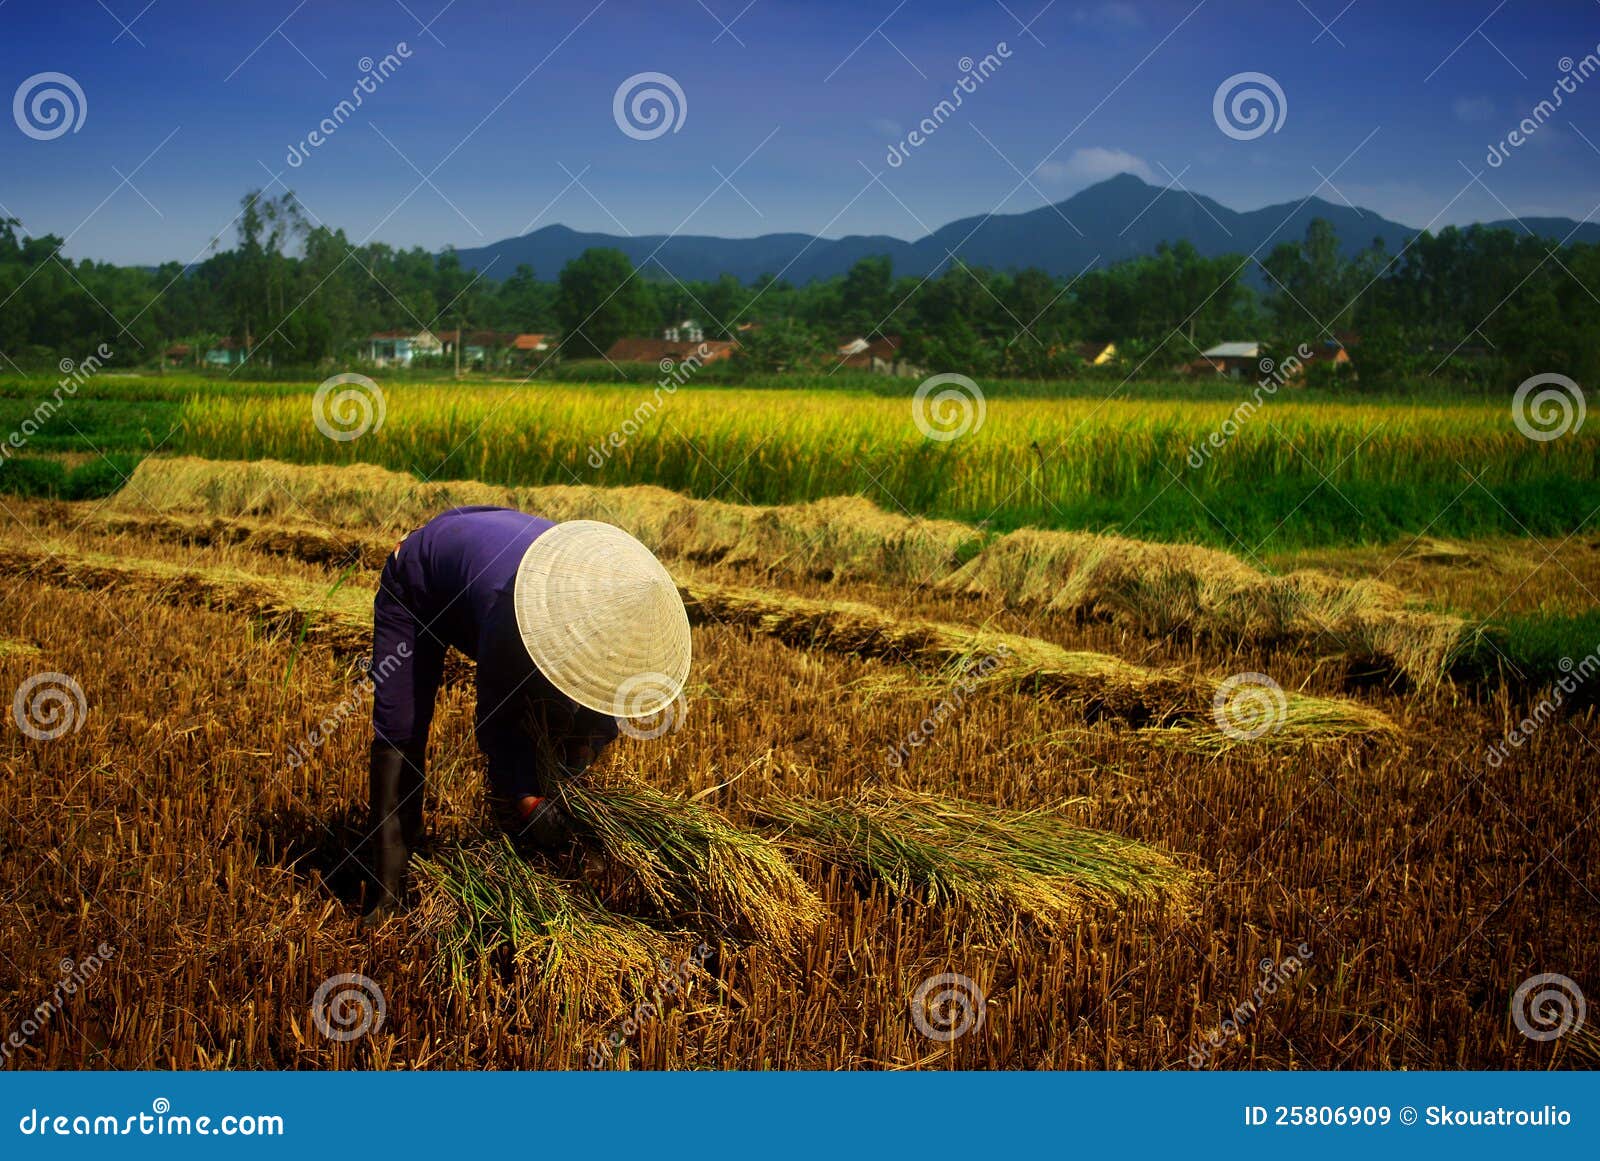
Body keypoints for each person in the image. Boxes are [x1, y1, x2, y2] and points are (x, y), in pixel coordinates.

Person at [362, 507, 691, 924]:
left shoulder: (608, 614)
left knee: (555, 714)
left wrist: (570, 781)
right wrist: (530, 799)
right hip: (420, 584)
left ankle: (524, 857)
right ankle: (389, 891)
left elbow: (602, 715)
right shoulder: (520, 614)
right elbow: (498, 721)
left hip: (481, 558)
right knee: (401, 725)